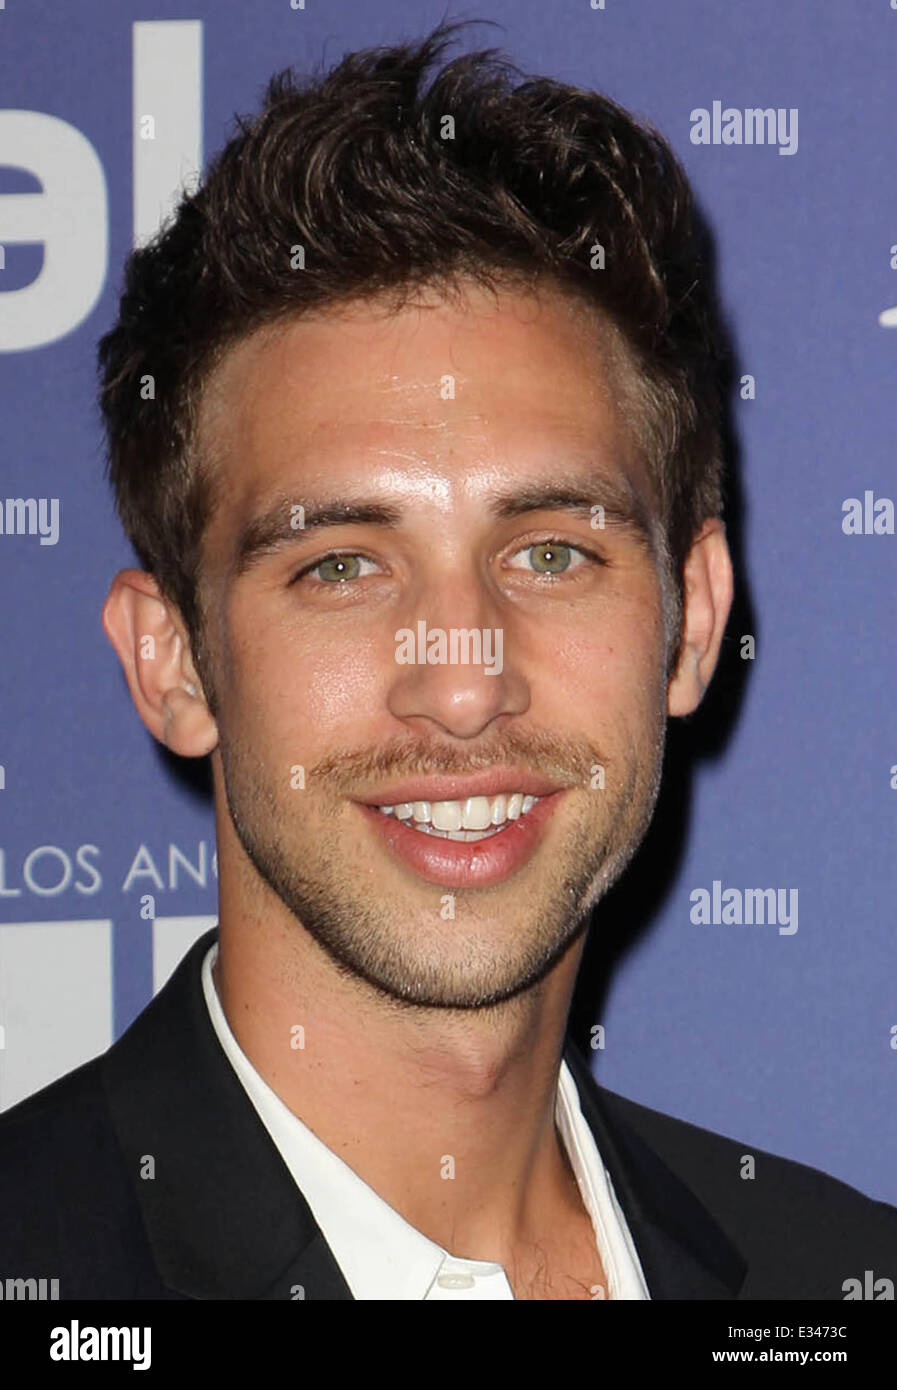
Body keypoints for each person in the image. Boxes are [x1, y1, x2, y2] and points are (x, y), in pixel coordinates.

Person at [1, 19, 894, 1301]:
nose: (464, 678)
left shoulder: (843, 1281)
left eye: (551, 552)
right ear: (175, 663)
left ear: (693, 621)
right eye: (341, 566)